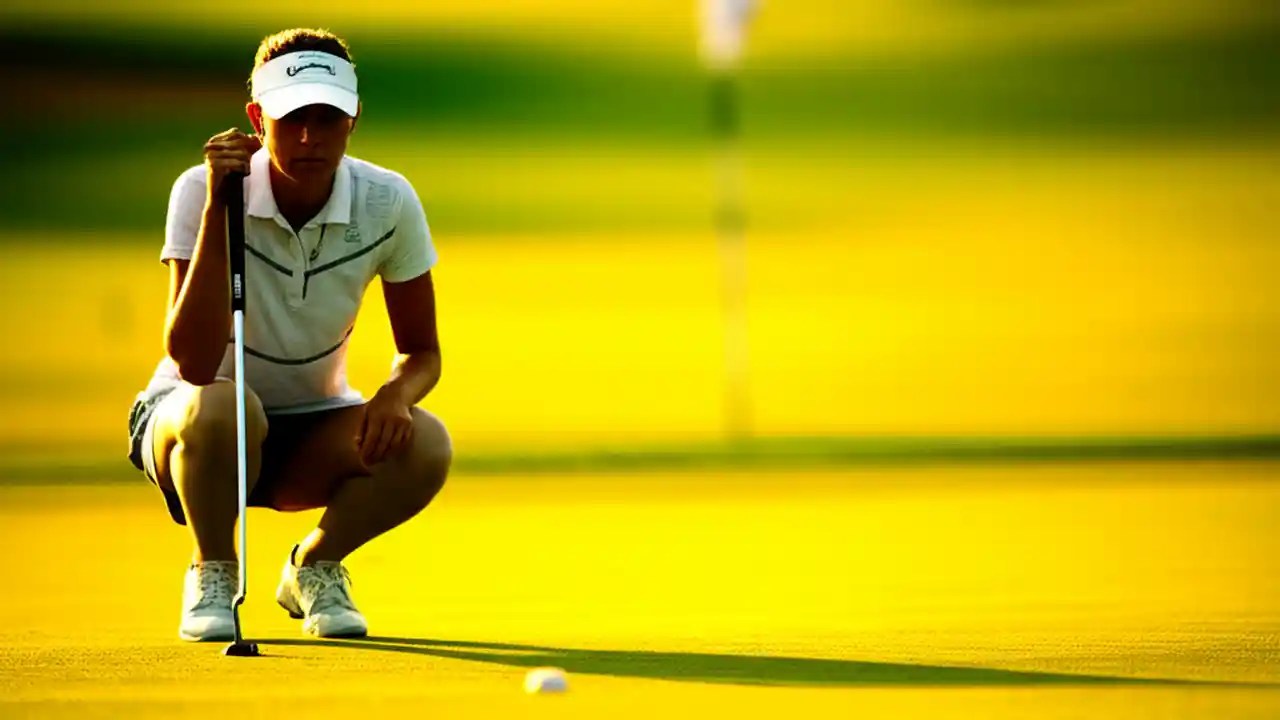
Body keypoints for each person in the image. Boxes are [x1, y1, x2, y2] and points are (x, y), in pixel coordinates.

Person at [125, 28, 452, 642]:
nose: (309, 137)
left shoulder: (388, 200)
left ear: (353, 117)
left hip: (312, 423)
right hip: (192, 424)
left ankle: (315, 568)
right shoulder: (201, 189)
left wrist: (394, 395)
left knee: (426, 443)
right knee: (225, 403)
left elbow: (422, 352)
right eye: (291, 118)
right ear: (257, 118)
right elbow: (194, 363)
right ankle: (212, 571)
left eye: (326, 118)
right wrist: (222, 208)